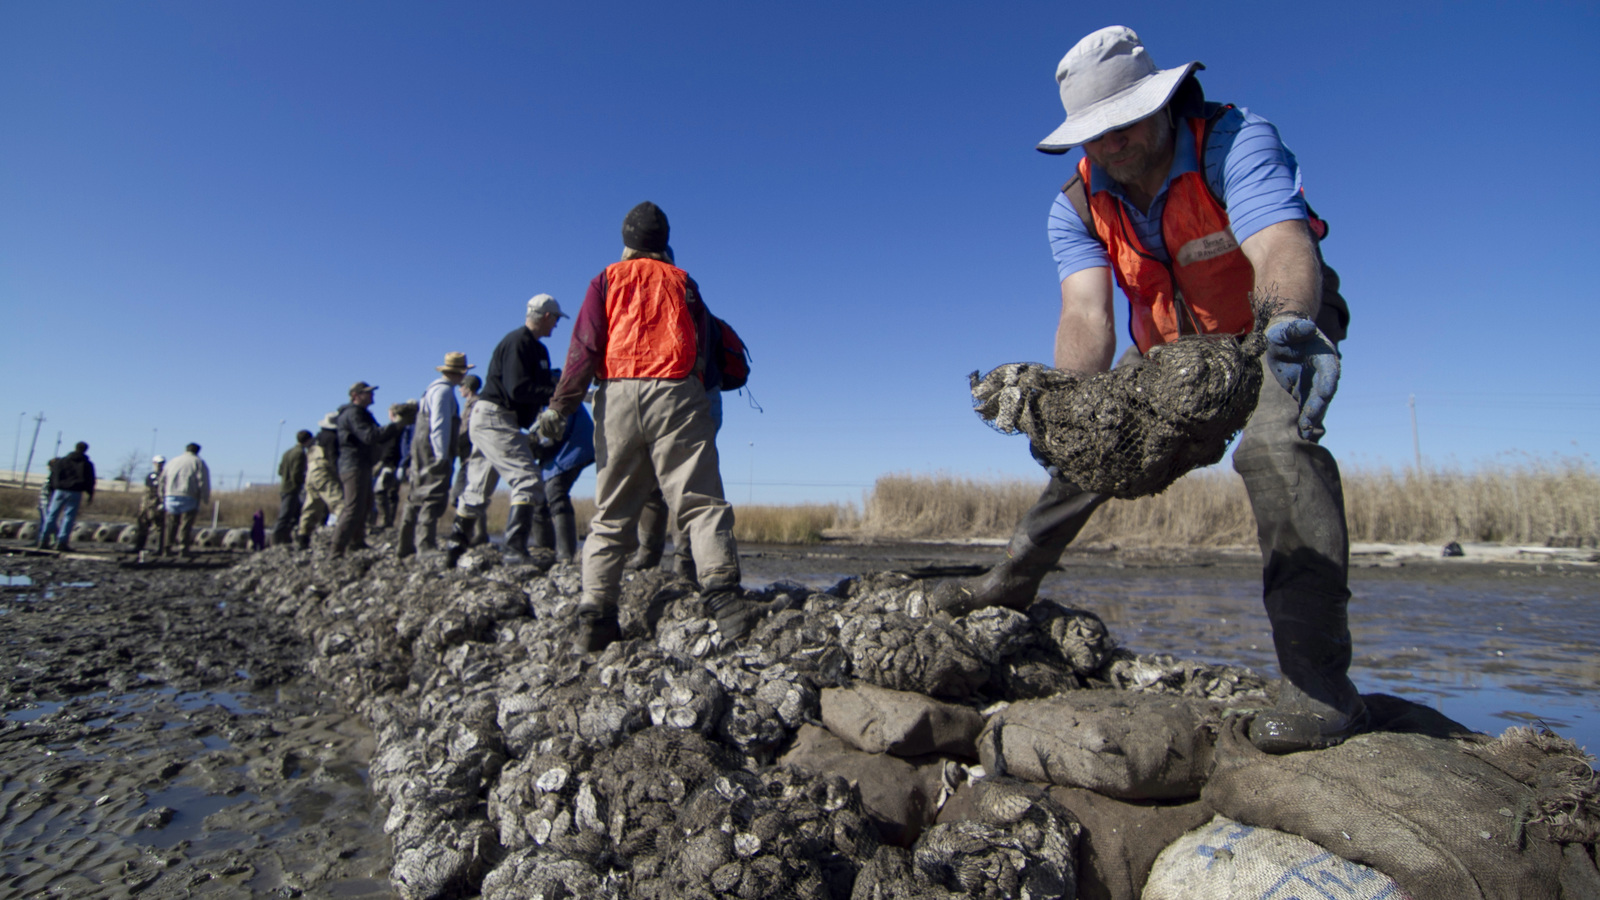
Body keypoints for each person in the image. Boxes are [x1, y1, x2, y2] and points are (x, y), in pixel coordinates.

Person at [935, 26, 1359, 753]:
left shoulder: (1234, 141)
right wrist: (1067, 410)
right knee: (1089, 451)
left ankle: (1321, 690)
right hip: (1171, 359)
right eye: (1095, 134)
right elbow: (1086, 313)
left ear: (1163, 101)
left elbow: (1278, 242)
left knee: (1274, 453)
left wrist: (1289, 321)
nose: (1114, 144)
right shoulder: (1073, 206)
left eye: (1126, 122)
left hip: (1273, 334)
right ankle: (1009, 580)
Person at [540, 201, 778, 653]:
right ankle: (725, 604)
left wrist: (560, 406)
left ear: (626, 241)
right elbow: (705, 347)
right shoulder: (683, 281)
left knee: (611, 513)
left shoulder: (605, 279)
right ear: (665, 243)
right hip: (676, 391)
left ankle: (596, 615)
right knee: (700, 501)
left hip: (618, 396)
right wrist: (702, 406)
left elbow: (585, 345)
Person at [445, 295, 563, 566]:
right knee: (528, 479)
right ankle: (513, 550)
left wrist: (562, 385)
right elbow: (518, 389)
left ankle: (453, 552)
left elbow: (541, 383)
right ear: (546, 316)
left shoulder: (538, 350)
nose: (557, 325)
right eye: (556, 319)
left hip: (495, 420)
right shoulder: (518, 342)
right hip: (495, 418)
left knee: (477, 489)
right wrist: (555, 395)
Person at [399, 352, 472, 558]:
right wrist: (441, 456)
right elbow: (439, 425)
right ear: (459, 373)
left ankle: (404, 545)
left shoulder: (431, 390)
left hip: (421, 449)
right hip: (433, 451)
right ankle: (425, 546)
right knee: (433, 496)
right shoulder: (444, 393)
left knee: (416, 494)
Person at [533, 382, 596, 563]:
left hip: (575, 449)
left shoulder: (556, 399)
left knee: (555, 492)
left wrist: (538, 449)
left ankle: (565, 554)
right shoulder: (549, 399)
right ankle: (547, 550)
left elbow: (554, 439)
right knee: (540, 496)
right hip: (569, 449)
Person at [332, 381, 391, 557]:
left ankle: (356, 542)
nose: (372, 395)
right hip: (354, 465)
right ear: (356, 395)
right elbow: (370, 436)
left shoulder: (360, 413)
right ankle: (336, 549)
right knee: (353, 508)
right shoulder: (354, 414)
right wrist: (396, 425)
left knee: (364, 506)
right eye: (367, 392)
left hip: (360, 464)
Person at [296, 413, 342, 550]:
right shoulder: (332, 438)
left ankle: (303, 537)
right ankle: (346, 535)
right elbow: (333, 459)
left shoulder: (317, 438)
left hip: (311, 472)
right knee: (339, 503)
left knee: (312, 505)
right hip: (324, 472)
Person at [38, 441, 95, 552]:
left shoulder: (62, 461)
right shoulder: (87, 464)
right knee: (68, 518)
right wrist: (90, 494)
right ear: (85, 450)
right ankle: (62, 542)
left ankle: (43, 540)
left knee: (51, 516)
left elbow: (54, 475)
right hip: (75, 492)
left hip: (59, 491)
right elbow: (90, 480)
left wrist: (52, 489)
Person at [371, 403, 415, 533]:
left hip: (390, 464)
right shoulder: (401, 428)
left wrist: (383, 462)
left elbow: (391, 448)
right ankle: (387, 520)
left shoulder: (395, 429)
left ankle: (385, 520)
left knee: (382, 491)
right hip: (395, 464)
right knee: (391, 493)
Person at [161, 443, 211, 556]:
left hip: (170, 496)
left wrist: (162, 495)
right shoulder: (198, 462)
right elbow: (203, 481)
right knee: (185, 525)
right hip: (189, 496)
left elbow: (162, 479)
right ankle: (183, 548)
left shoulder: (173, 461)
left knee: (170, 524)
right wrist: (205, 497)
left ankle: (167, 547)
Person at [274, 430, 313, 546]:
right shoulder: (300, 453)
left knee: (292, 516)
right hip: (293, 489)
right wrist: (302, 481)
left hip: (284, 487)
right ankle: (276, 541)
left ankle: (286, 540)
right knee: (285, 517)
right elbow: (297, 473)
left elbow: (280, 471)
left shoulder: (287, 452)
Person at [131, 455, 167, 558]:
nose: (159, 465)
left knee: (159, 527)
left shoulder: (165, 476)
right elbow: (146, 492)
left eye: (161, 463)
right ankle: (139, 546)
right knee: (142, 525)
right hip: (147, 505)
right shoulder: (149, 476)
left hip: (158, 504)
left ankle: (159, 548)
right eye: (157, 463)